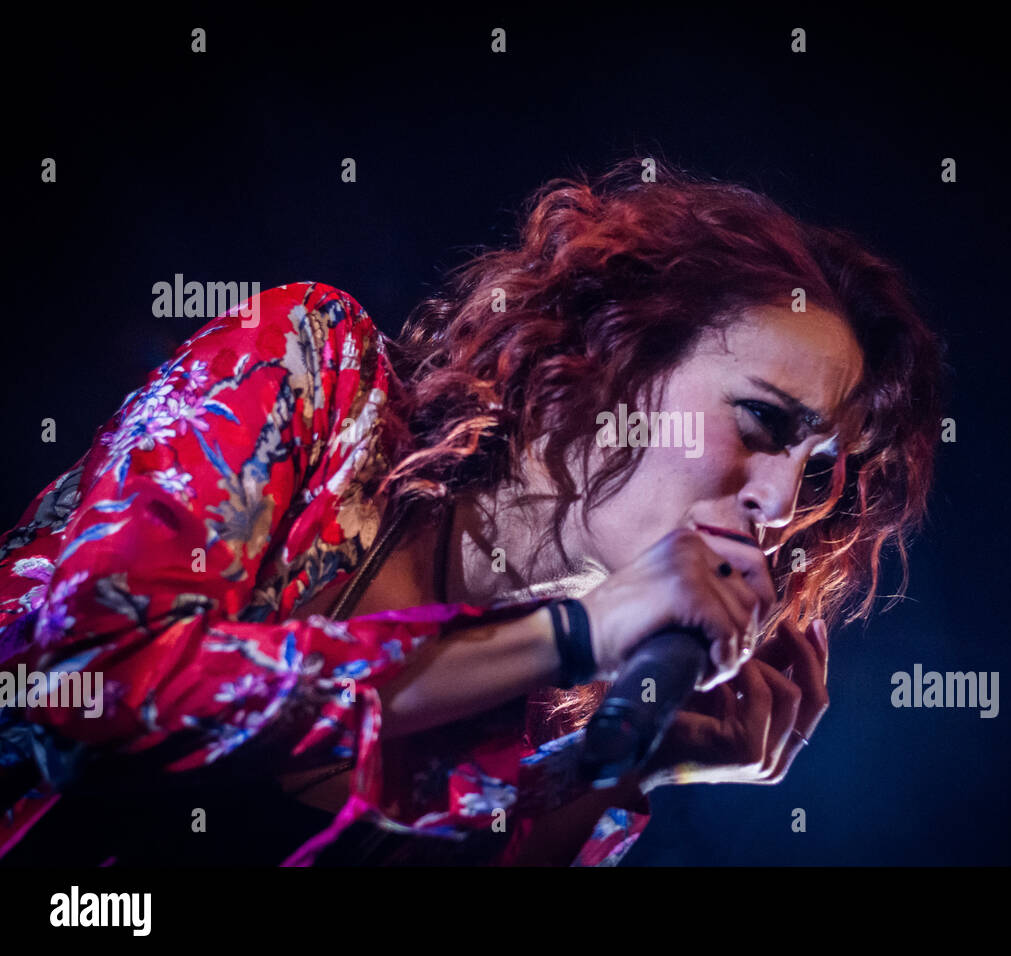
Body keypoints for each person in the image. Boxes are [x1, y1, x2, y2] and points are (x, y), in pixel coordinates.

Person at [0, 157, 943, 866]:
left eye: (817, 469)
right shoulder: (313, 369)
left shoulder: (537, 716)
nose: (780, 503)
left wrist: (626, 769)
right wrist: (573, 633)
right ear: (617, 349)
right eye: (763, 422)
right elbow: (85, 689)